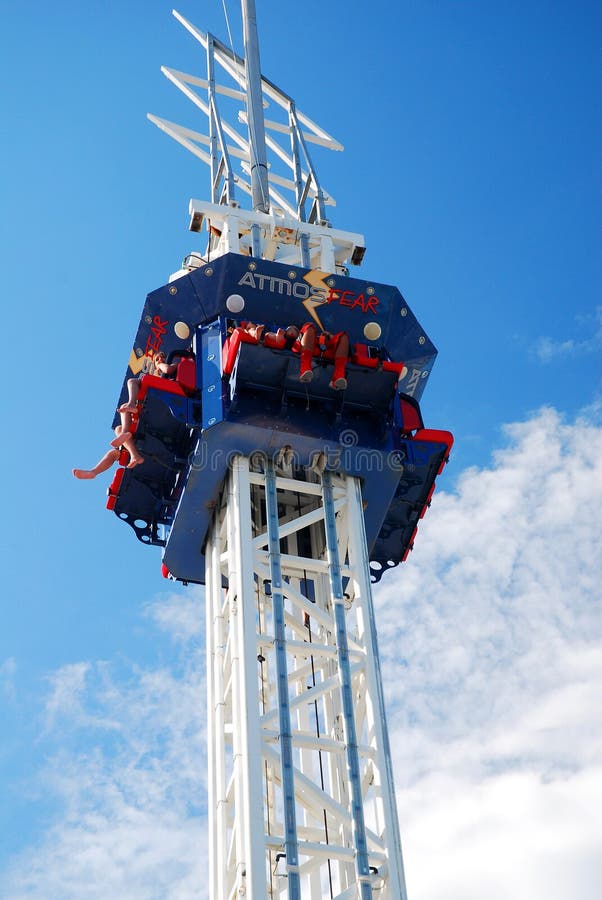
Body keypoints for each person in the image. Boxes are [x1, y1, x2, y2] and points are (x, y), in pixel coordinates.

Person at [72, 424, 144, 480]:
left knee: (118, 429)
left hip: (138, 438)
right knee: (113, 453)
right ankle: (93, 472)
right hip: (131, 447)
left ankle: (134, 455)